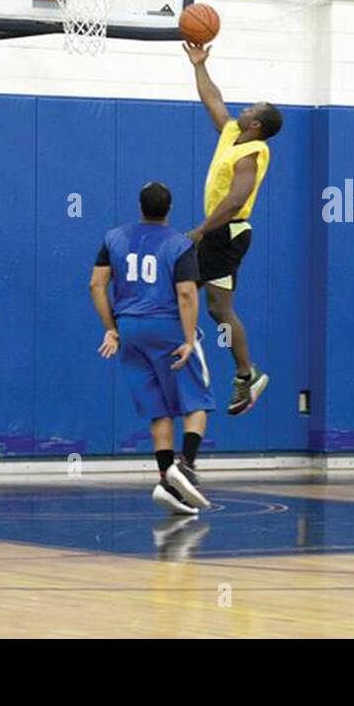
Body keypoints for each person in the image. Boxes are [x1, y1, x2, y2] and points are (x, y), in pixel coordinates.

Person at [91, 182, 212, 514]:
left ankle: (165, 481)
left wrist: (111, 329)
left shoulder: (114, 238)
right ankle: (185, 465)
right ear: (169, 209)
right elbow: (187, 293)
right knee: (196, 401)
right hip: (167, 327)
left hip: (130, 330)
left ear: (140, 206)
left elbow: (96, 285)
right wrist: (188, 340)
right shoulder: (179, 243)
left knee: (158, 410)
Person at [183, 41, 282, 415]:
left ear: (256, 125)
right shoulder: (232, 135)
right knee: (215, 308)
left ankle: (245, 373)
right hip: (219, 235)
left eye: (251, 109)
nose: (244, 108)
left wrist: (200, 230)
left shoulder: (252, 153)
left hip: (228, 235)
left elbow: (237, 201)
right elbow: (213, 99)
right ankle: (243, 372)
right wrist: (199, 65)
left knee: (212, 304)